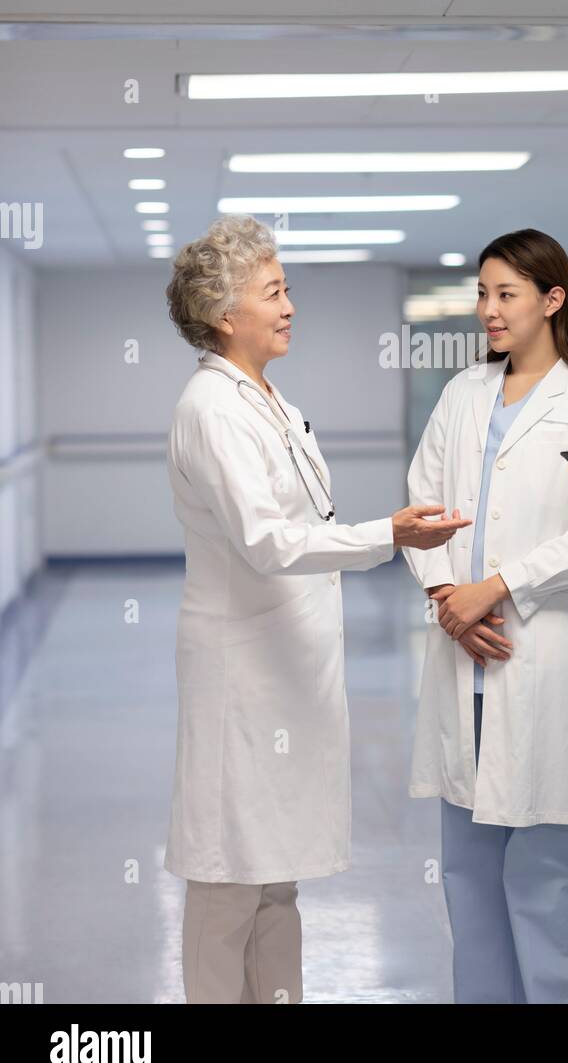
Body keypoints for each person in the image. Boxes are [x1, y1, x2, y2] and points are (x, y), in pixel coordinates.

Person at [163, 214, 470, 1004]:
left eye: (287, 288)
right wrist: (389, 534)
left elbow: (305, 525)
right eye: (273, 293)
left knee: (275, 876)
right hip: (244, 675)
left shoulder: (265, 399)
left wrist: (377, 536)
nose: (290, 306)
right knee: (230, 875)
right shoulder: (213, 407)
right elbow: (268, 541)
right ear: (227, 316)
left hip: (287, 672)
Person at [403, 229, 568, 1003]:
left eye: (506, 294)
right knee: (468, 879)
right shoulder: (463, 393)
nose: (488, 310)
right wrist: (447, 599)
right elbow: (422, 505)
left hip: (540, 659)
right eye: (482, 293)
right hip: (463, 655)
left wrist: (493, 588)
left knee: (550, 881)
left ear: (552, 299)